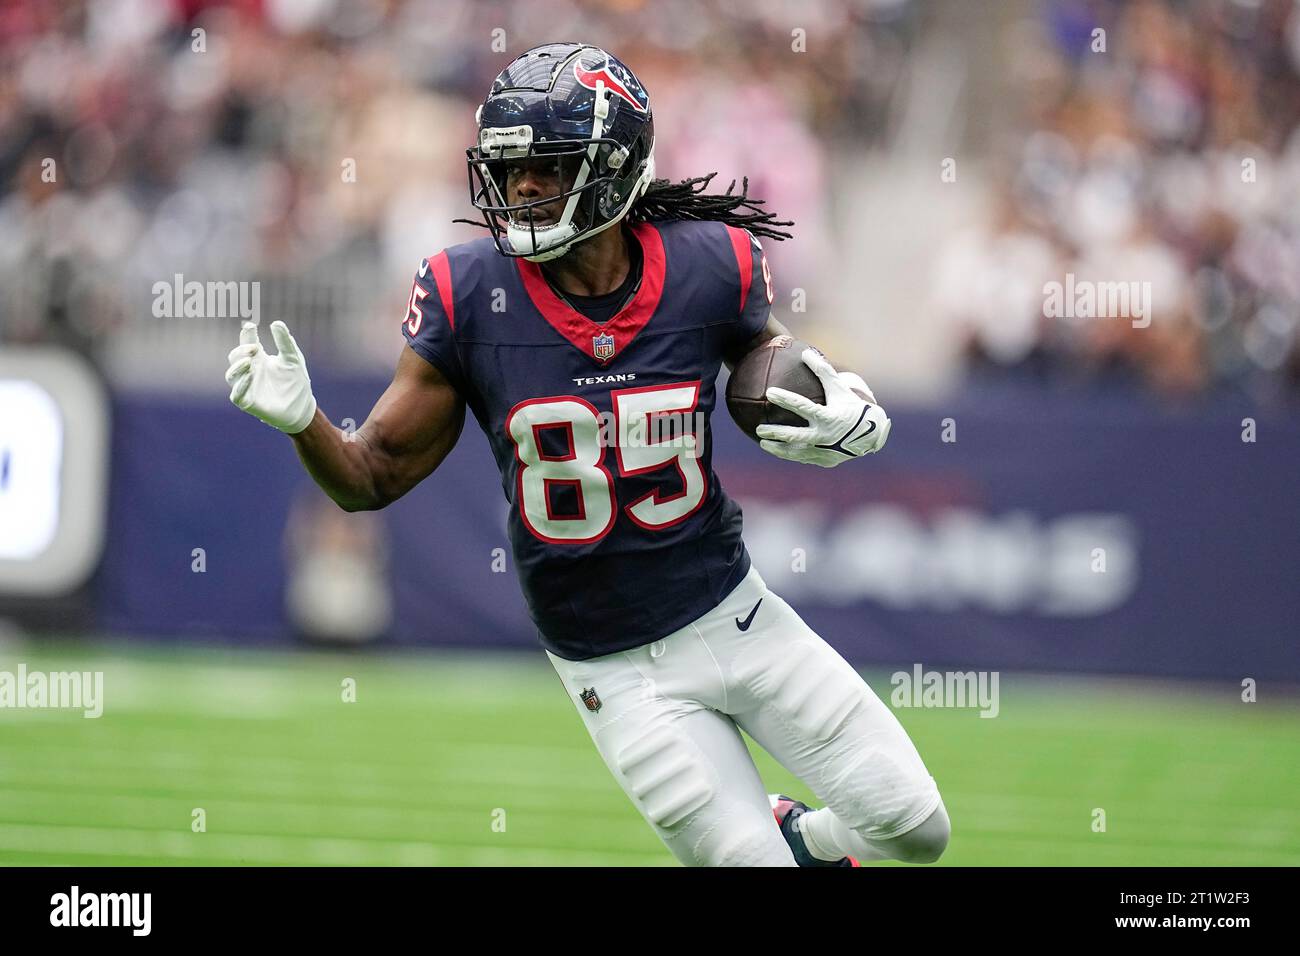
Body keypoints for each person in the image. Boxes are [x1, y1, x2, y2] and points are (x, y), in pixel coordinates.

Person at [225, 42, 949, 867]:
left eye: (548, 165)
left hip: (735, 612)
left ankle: (805, 840)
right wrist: (304, 421)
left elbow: (779, 370)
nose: (522, 187)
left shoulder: (711, 265)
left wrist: (847, 414)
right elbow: (370, 475)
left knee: (918, 830)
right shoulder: (472, 291)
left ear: (613, 168)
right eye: (511, 169)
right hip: (613, 664)